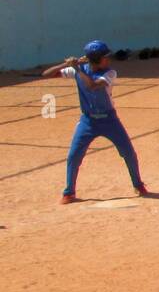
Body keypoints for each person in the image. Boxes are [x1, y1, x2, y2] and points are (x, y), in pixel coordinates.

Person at [42, 40, 148, 204]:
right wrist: (67, 63)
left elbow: (92, 86)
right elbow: (46, 74)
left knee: (128, 152)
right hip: (88, 121)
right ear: (96, 59)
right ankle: (69, 192)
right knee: (74, 155)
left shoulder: (109, 73)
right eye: (105, 57)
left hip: (109, 120)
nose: (108, 60)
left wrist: (77, 68)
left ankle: (138, 185)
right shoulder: (77, 70)